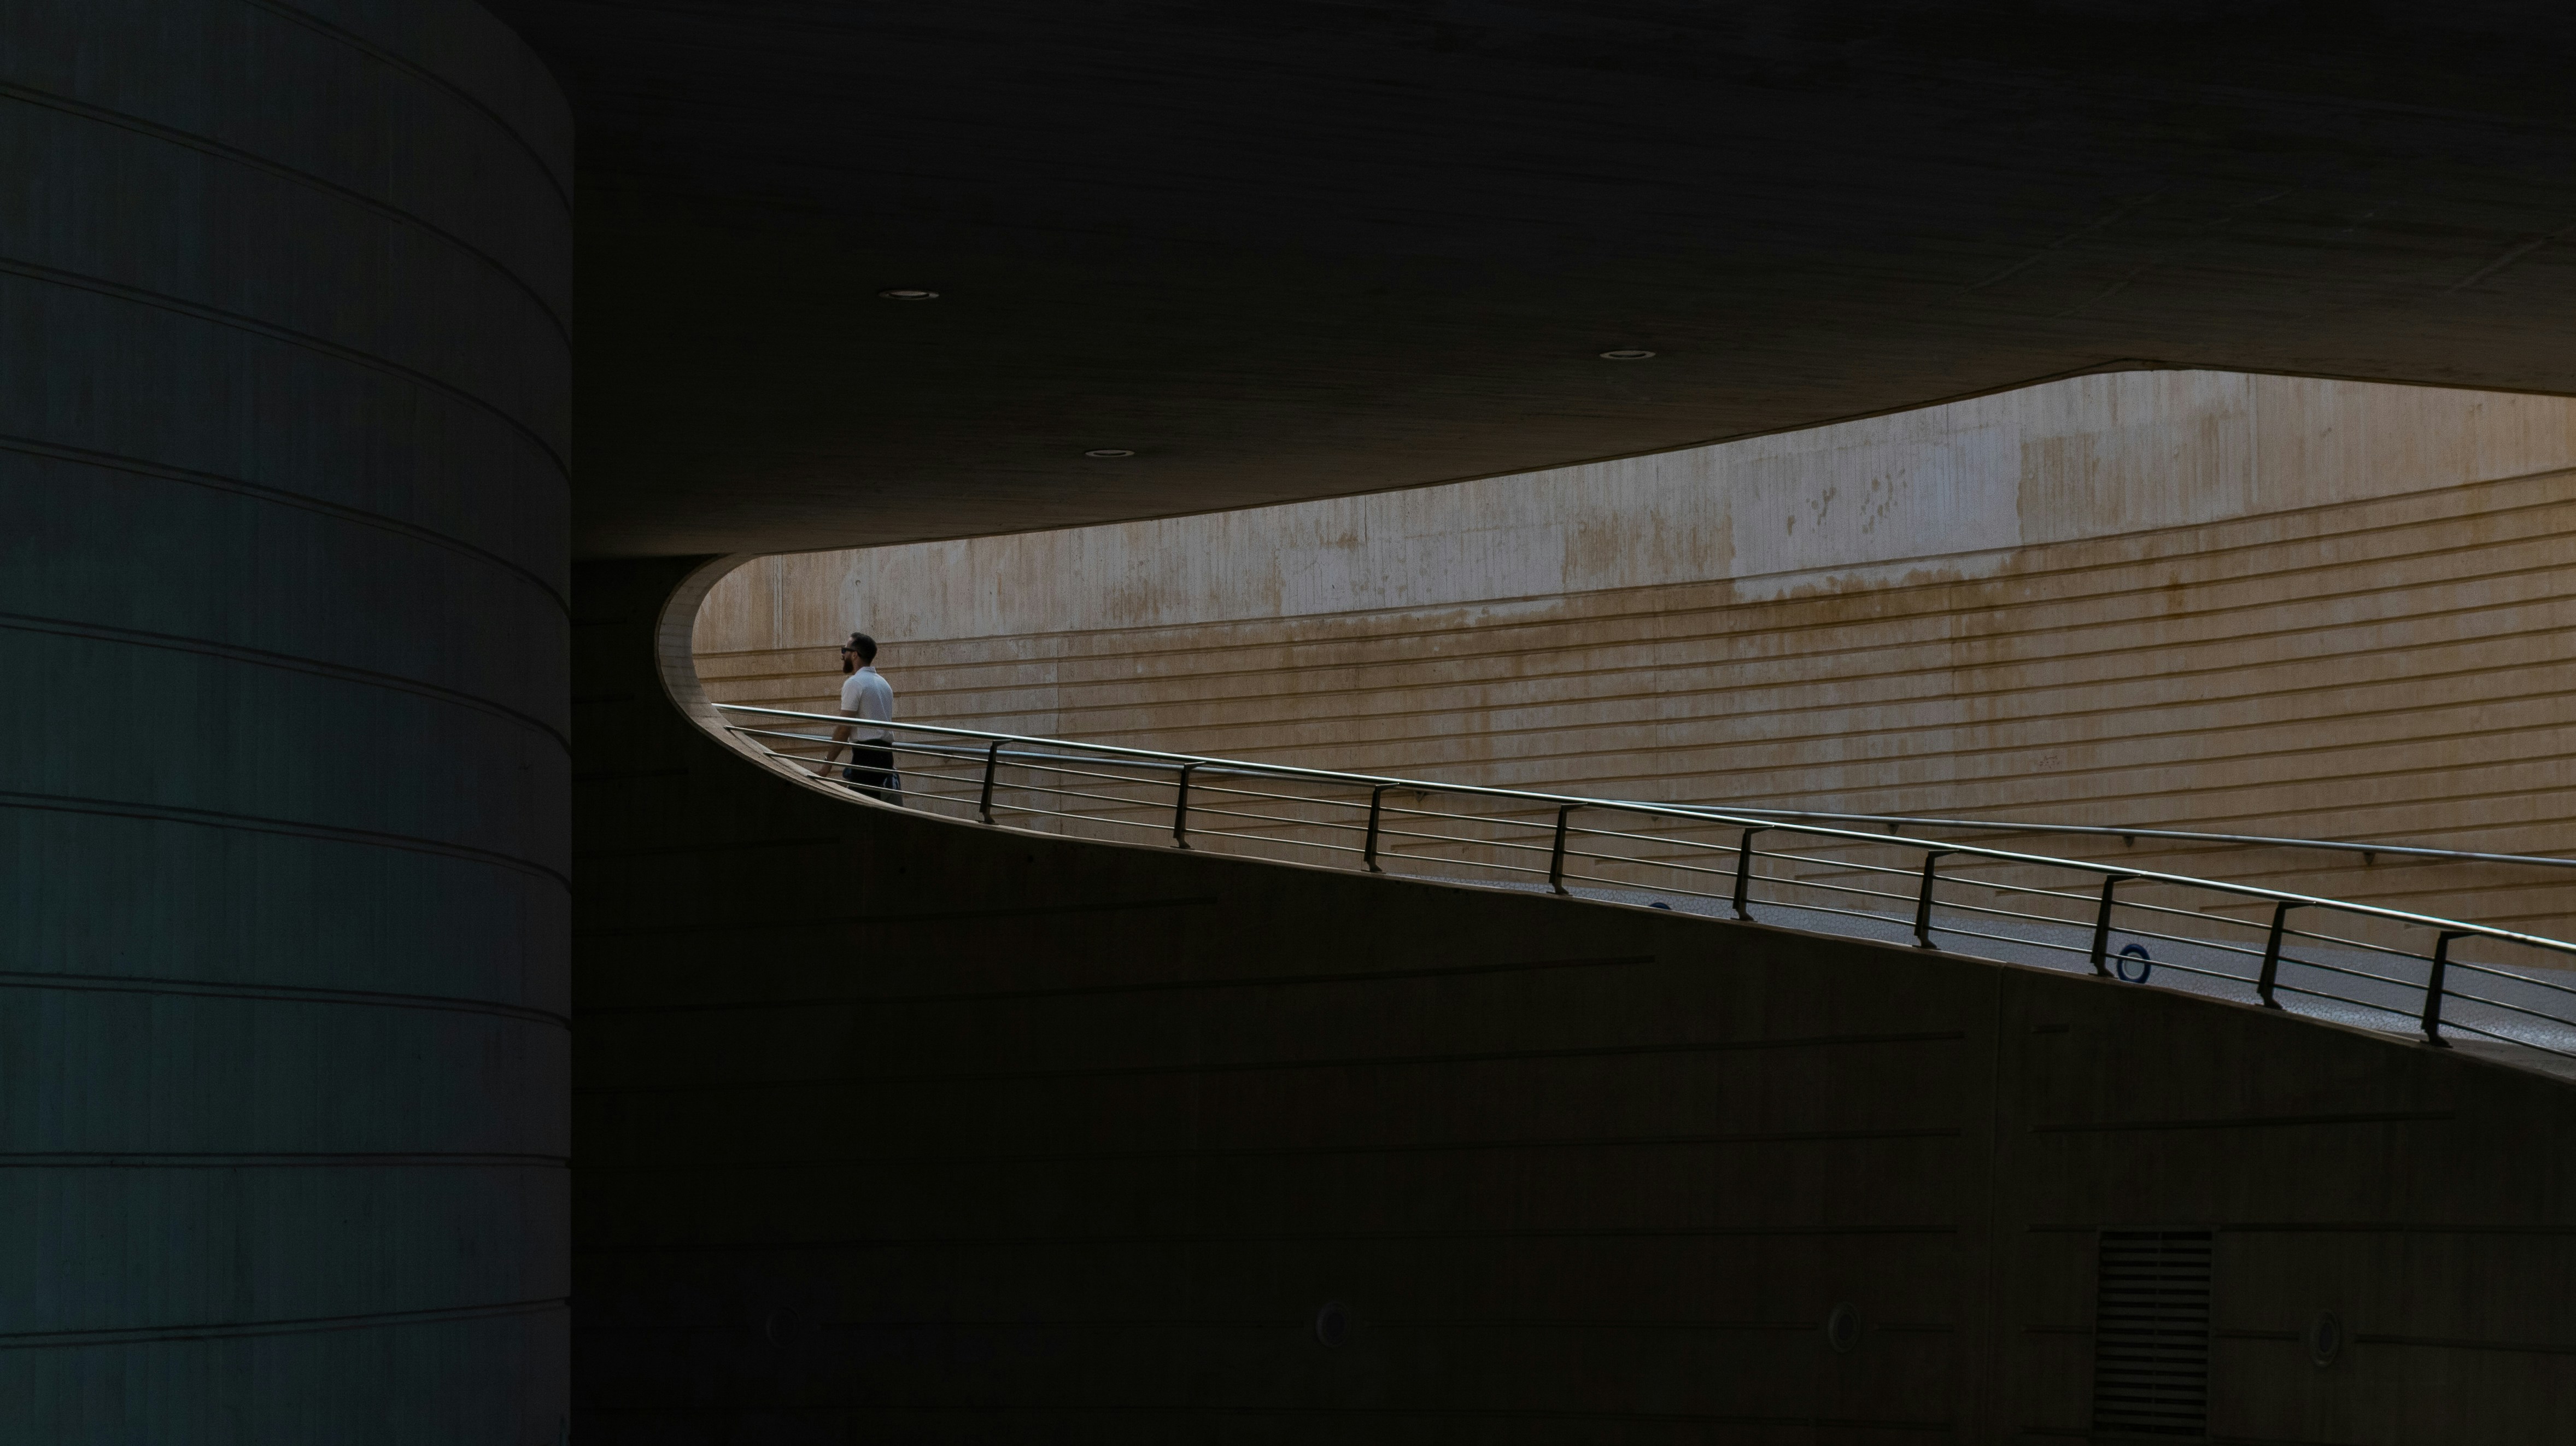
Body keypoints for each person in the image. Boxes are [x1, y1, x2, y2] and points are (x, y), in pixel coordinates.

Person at [813, 631, 901, 802]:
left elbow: (844, 727)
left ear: (854, 655)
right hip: (885, 756)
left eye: (844, 650)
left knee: (861, 810)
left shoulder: (854, 683)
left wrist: (827, 765)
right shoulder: (884, 684)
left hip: (867, 757)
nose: (842, 655)